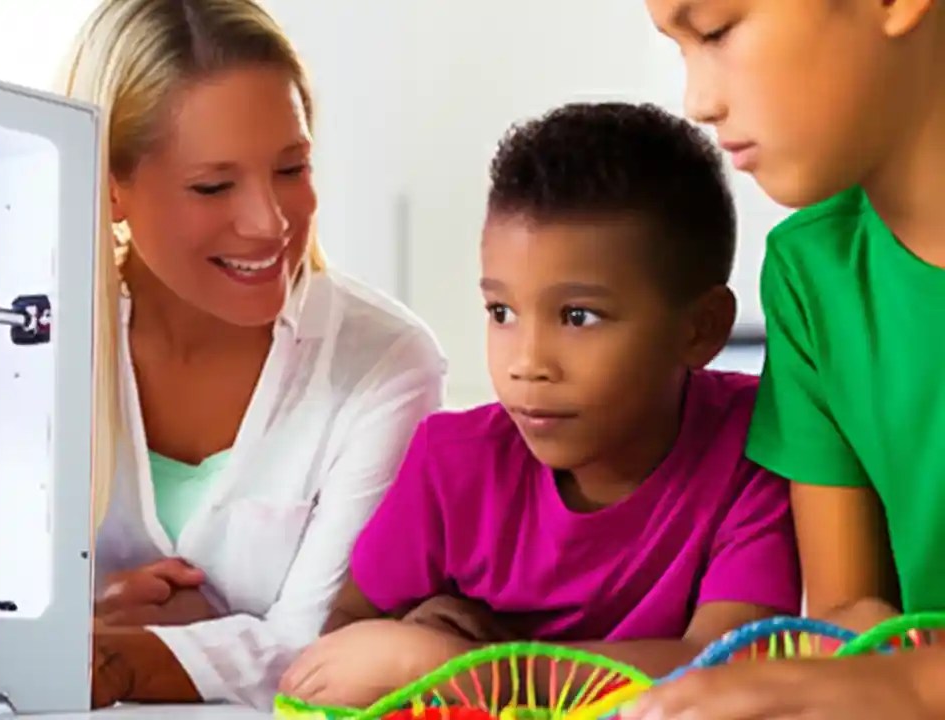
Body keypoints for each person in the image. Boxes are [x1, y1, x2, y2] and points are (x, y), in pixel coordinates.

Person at [279, 102, 802, 709]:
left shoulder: (753, 447)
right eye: (501, 312)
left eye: (578, 316)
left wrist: (480, 672)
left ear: (700, 330)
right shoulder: (451, 465)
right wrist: (413, 638)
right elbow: (335, 651)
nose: (527, 362)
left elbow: (727, 670)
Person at [56, 0, 446, 710]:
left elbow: (319, 659)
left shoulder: (386, 362)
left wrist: (105, 649)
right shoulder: (28, 340)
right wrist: (213, 643)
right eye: (214, 186)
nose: (269, 223)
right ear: (110, 184)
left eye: (292, 168)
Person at [620, 1, 945, 718]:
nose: (698, 101)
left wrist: (908, 684)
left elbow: (886, 680)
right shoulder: (810, 277)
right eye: (681, 49)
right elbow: (853, 626)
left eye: (715, 31)